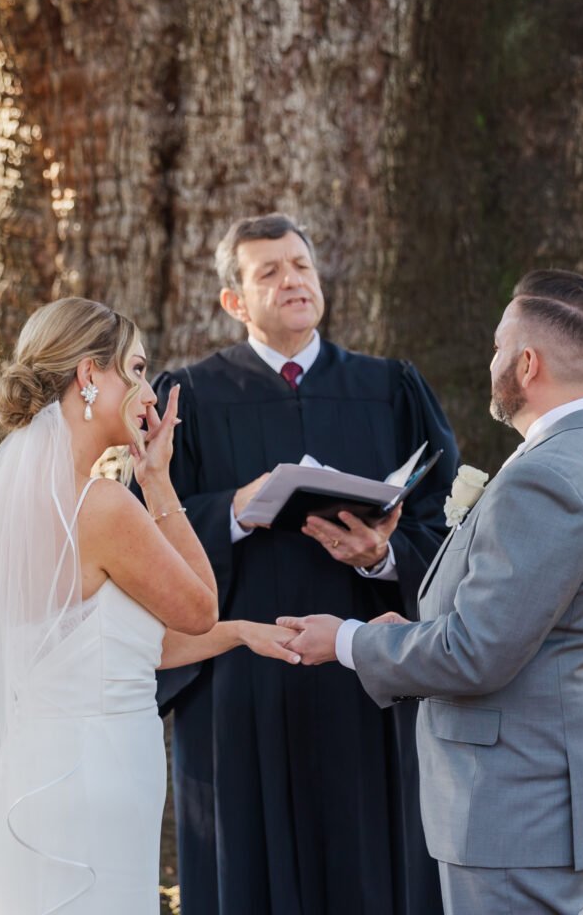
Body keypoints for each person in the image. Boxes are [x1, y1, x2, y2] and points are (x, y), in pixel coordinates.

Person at [0, 297, 300, 915]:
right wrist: (158, 482)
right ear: (88, 377)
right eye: (135, 369)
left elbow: (108, 647)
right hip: (92, 776)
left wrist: (240, 633)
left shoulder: (5, 509)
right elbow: (199, 606)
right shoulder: (101, 505)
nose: (150, 394)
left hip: (33, 773)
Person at [280, 270, 583, 915]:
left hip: (519, 805)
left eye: (497, 347)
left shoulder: (546, 479)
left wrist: (349, 640)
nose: (492, 362)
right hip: (559, 793)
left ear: (528, 362)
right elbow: (538, 629)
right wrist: (409, 632)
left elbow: (475, 654)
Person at [152, 214, 458, 915]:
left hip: (363, 671)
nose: (293, 280)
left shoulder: (390, 389)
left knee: (373, 862)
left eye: (302, 266)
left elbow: (445, 525)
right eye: (270, 272)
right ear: (235, 302)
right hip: (241, 681)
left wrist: (383, 556)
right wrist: (235, 507)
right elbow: (150, 529)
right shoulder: (190, 401)